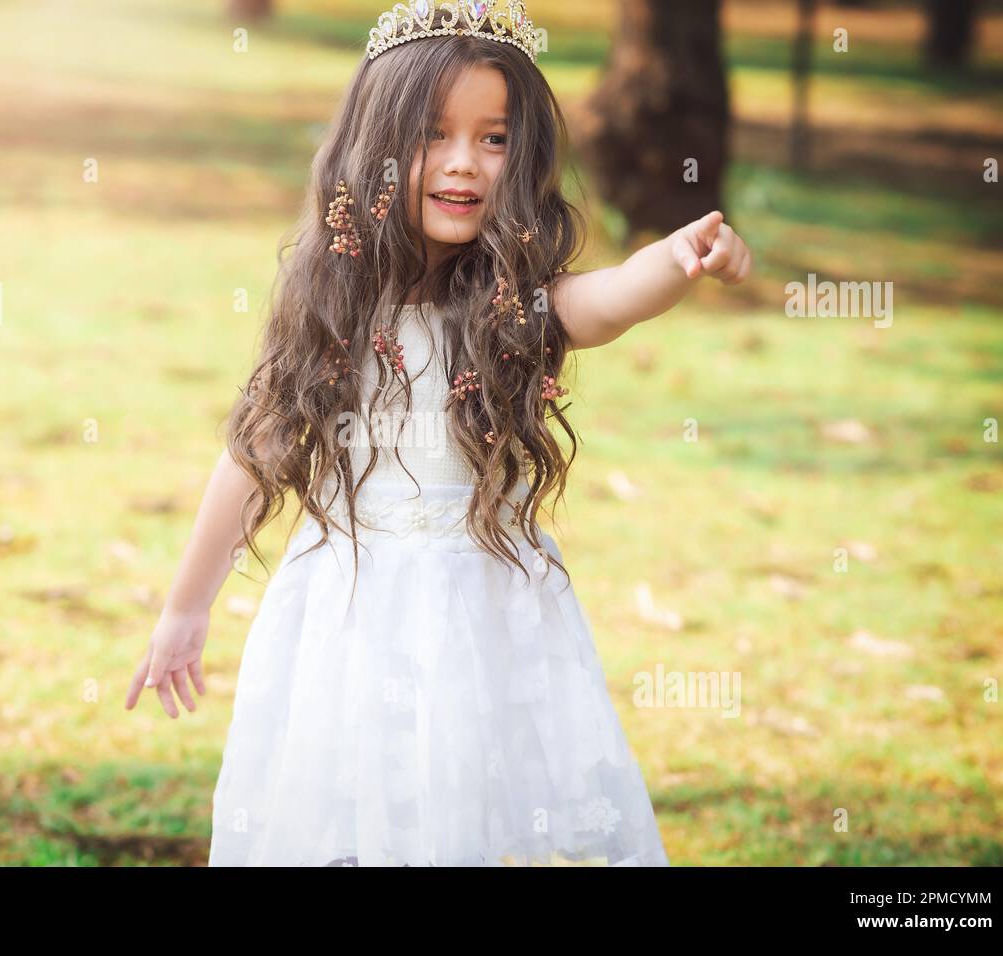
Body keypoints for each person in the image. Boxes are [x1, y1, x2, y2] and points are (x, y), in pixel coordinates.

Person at [125, 0, 751, 866]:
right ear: (375, 145)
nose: (466, 164)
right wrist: (186, 607)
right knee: (353, 814)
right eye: (435, 134)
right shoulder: (333, 308)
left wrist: (679, 258)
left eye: (495, 139)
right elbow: (253, 455)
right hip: (346, 607)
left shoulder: (513, 306)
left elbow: (605, 302)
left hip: (480, 610)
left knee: (462, 807)